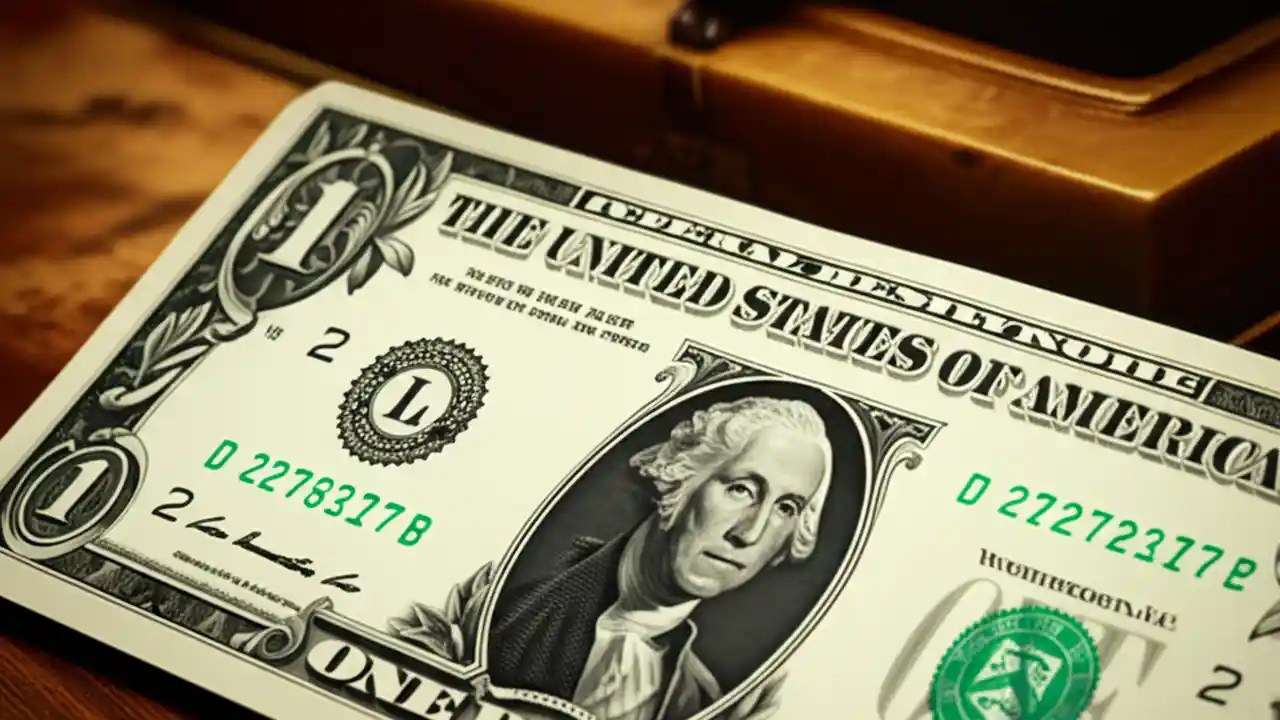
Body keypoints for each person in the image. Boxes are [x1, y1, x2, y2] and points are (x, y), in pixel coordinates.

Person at [486, 396, 833, 720]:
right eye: (740, 489)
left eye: (786, 508)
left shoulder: (702, 698)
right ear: (682, 479)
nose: (749, 534)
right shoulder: (503, 616)